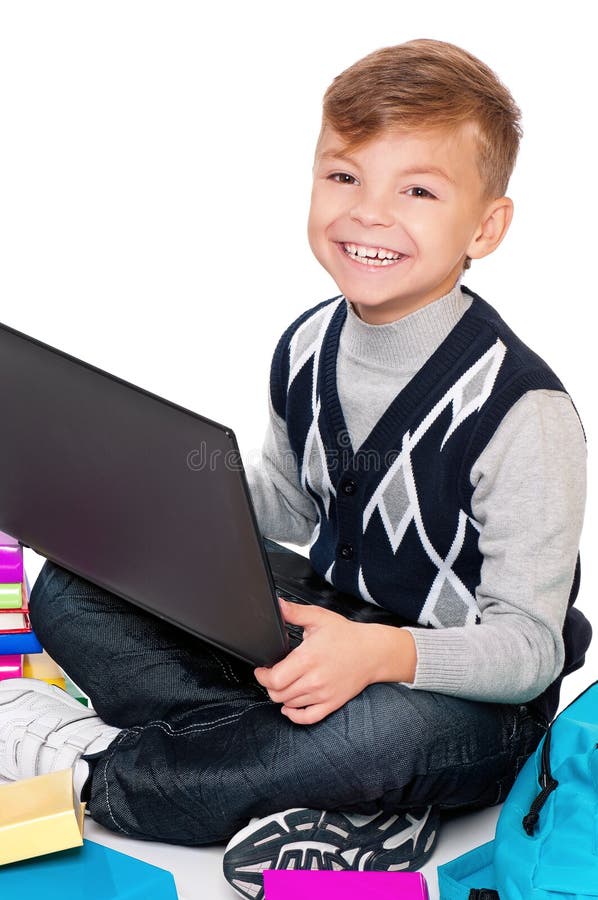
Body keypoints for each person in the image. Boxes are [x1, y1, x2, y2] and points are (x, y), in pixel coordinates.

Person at [0, 38, 591, 900]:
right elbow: (285, 499)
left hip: (462, 700)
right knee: (70, 586)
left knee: (373, 738)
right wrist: (143, 508)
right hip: (326, 625)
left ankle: (108, 772)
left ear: (486, 226)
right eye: (344, 177)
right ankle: (311, 784)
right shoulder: (311, 342)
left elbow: (531, 649)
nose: (369, 215)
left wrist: (380, 655)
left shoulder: (523, 413)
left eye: (417, 191)